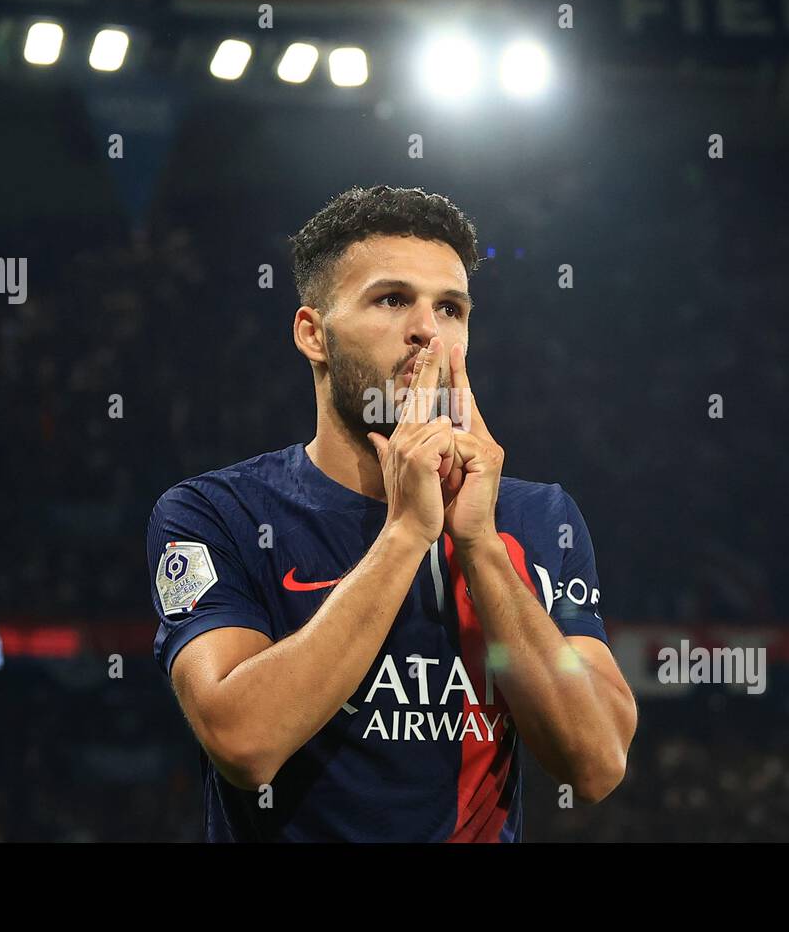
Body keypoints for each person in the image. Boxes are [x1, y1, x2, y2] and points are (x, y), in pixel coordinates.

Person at [147, 185, 637, 841]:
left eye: (451, 308)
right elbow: (244, 743)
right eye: (391, 299)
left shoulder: (539, 518)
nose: (427, 330)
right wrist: (407, 533)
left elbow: (597, 762)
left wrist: (482, 546)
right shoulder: (216, 513)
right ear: (313, 335)